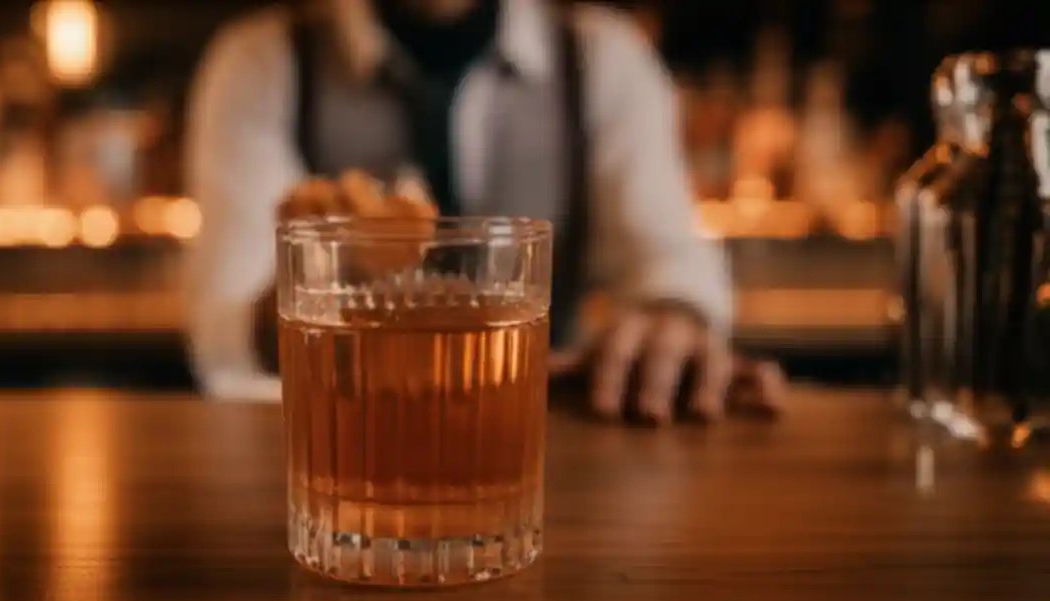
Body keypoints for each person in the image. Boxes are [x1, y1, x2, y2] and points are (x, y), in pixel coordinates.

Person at [187, 0, 784, 423]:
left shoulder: (603, 57)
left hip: (529, 450)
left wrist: (671, 322)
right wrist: (326, 282)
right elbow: (225, 325)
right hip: (350, 447)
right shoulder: (264, 61)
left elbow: (668, 256)